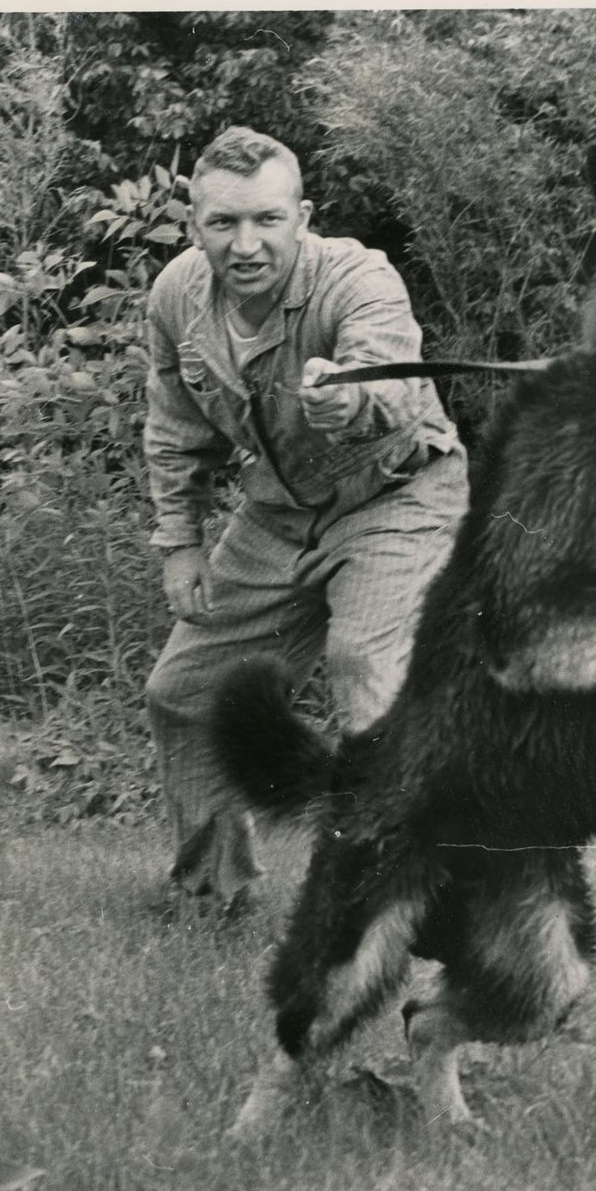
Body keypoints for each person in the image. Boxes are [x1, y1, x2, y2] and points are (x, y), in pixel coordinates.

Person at [143, 126, 467, 920]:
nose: (246, 244)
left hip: (399, 497)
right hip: (280, 511)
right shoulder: (178, 298)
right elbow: (174, 425)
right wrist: (181, 543)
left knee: (367, 669)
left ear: (303, 215)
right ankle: (215, 894)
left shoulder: (359, 277)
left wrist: (349, 396)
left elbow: (385, 368)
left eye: (268, 220)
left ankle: (416, 907)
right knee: (185, 690)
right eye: (223, 224)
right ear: (197, 227)